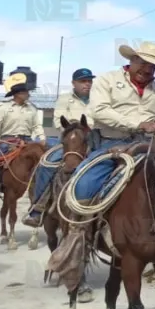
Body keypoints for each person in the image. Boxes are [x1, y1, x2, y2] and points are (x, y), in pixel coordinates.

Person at [68, 42, 155, 204]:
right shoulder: (107, 80)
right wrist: (138, 124)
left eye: (152, 66)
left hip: (147, 144)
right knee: (84, 184)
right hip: (111, 143)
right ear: (131, 60)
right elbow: (99, 111)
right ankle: (80, 224)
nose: (147, 70)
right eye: (143, 63)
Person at [23, 67, 94, 227]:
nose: (87, 84)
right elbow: (57, 120)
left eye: (89, 81)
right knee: (46, 164)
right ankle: (37, 208)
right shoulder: (64, 99)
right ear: (73, 83)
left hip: (92, 140)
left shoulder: (97, 99)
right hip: (71, 140)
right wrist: (73, 130)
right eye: (83, 81)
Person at [0, 74, 45, 201]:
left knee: (45, 157)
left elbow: (37, 125)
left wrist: (41, 138)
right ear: (17, 94)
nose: (28, 95)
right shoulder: (4, 108)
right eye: (25, 92)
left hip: (28, 140)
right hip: (7, 140)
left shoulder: (32, 109)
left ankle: (44, 188)